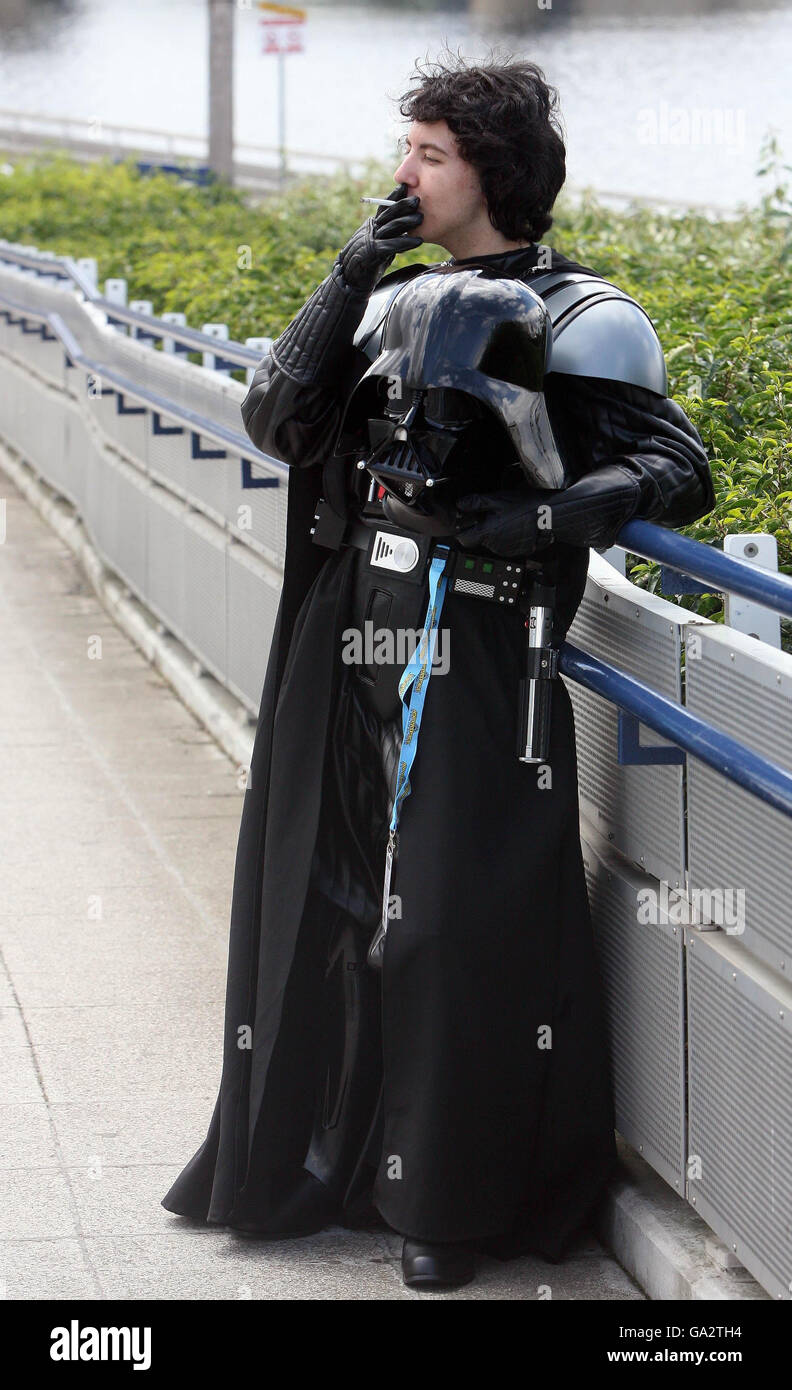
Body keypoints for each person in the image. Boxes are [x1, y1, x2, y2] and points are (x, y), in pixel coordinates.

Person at [161, 54, 715, 1291]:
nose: (401, 174)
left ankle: (448, 1201)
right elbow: (278, 421)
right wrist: (354, 269)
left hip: (480, 649)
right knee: (333, 896)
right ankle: (329, 1156)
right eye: (404, 148)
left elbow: (678, 467)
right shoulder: (392, 295)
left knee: (455, 926)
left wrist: (553, 519)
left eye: (429, 155)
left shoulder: (592, 317)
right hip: (350, 631)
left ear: (492, 173)